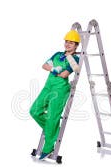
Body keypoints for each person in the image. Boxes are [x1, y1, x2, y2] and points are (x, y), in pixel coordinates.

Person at [30, 30, 81, 160]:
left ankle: (48, 148)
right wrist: (53, 69)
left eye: (71, 43)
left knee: (53, 116)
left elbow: (65, 74)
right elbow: (44, 65)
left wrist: (55, 69)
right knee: (34, 110)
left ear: (76, 45)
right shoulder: (58, 54)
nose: (68, 44)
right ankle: (52, 131)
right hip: (48, 86)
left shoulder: (75, 58)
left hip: (60, 89)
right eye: (66, 42)